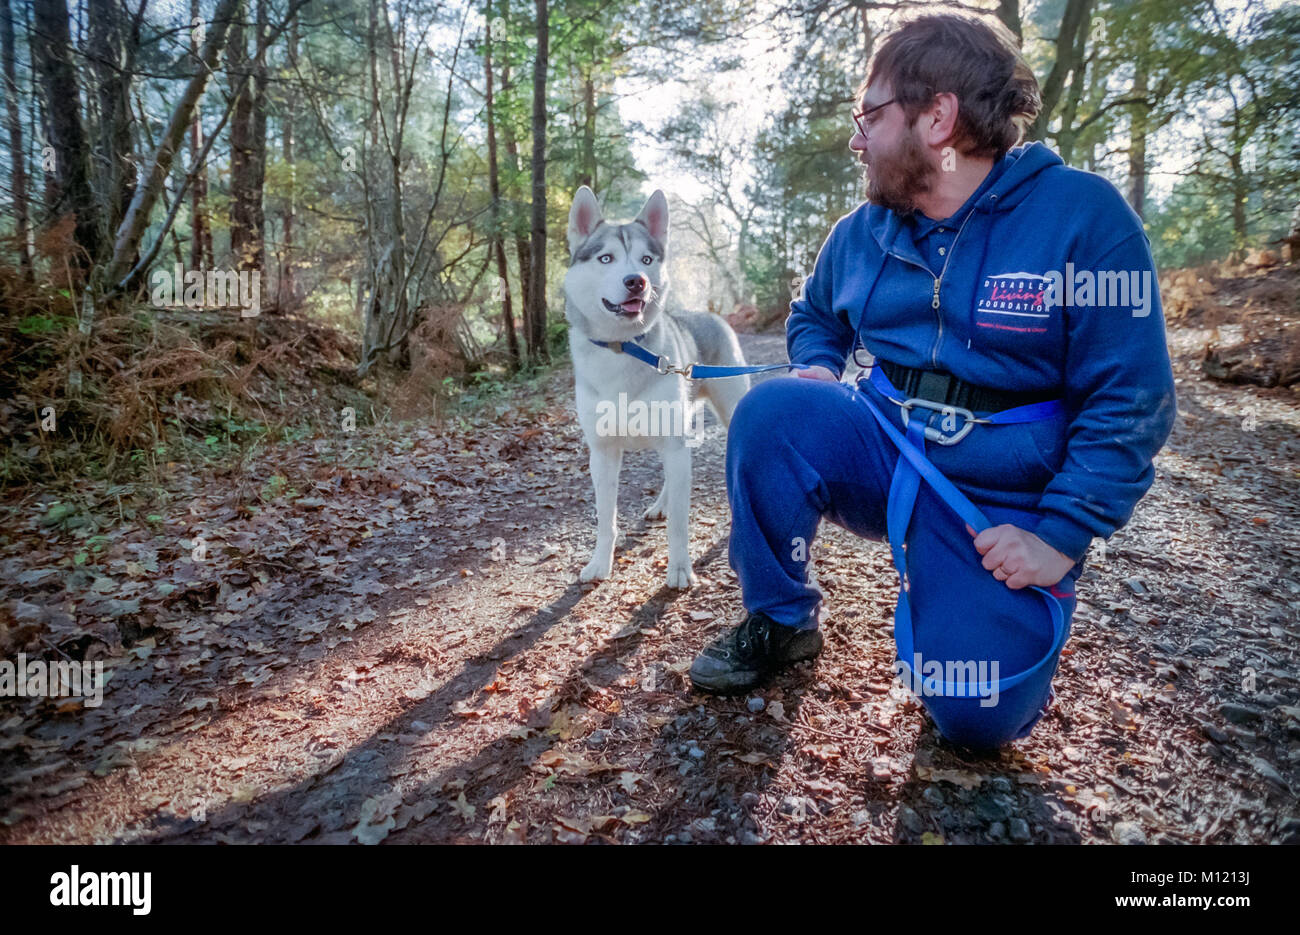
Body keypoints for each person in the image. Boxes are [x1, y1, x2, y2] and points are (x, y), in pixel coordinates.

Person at [688, 12, 1178, 748]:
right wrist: (817, 366)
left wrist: (1060, 535)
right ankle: (781, 618)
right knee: (771, 413)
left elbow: (1131, 401)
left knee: (973, 712)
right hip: (887, 445)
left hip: (999, 495)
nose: (858, 139)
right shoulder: (863, 230)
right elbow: (816, 313)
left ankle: (969, 600)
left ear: (939, 117)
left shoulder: (1084, 219)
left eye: (872, 117)